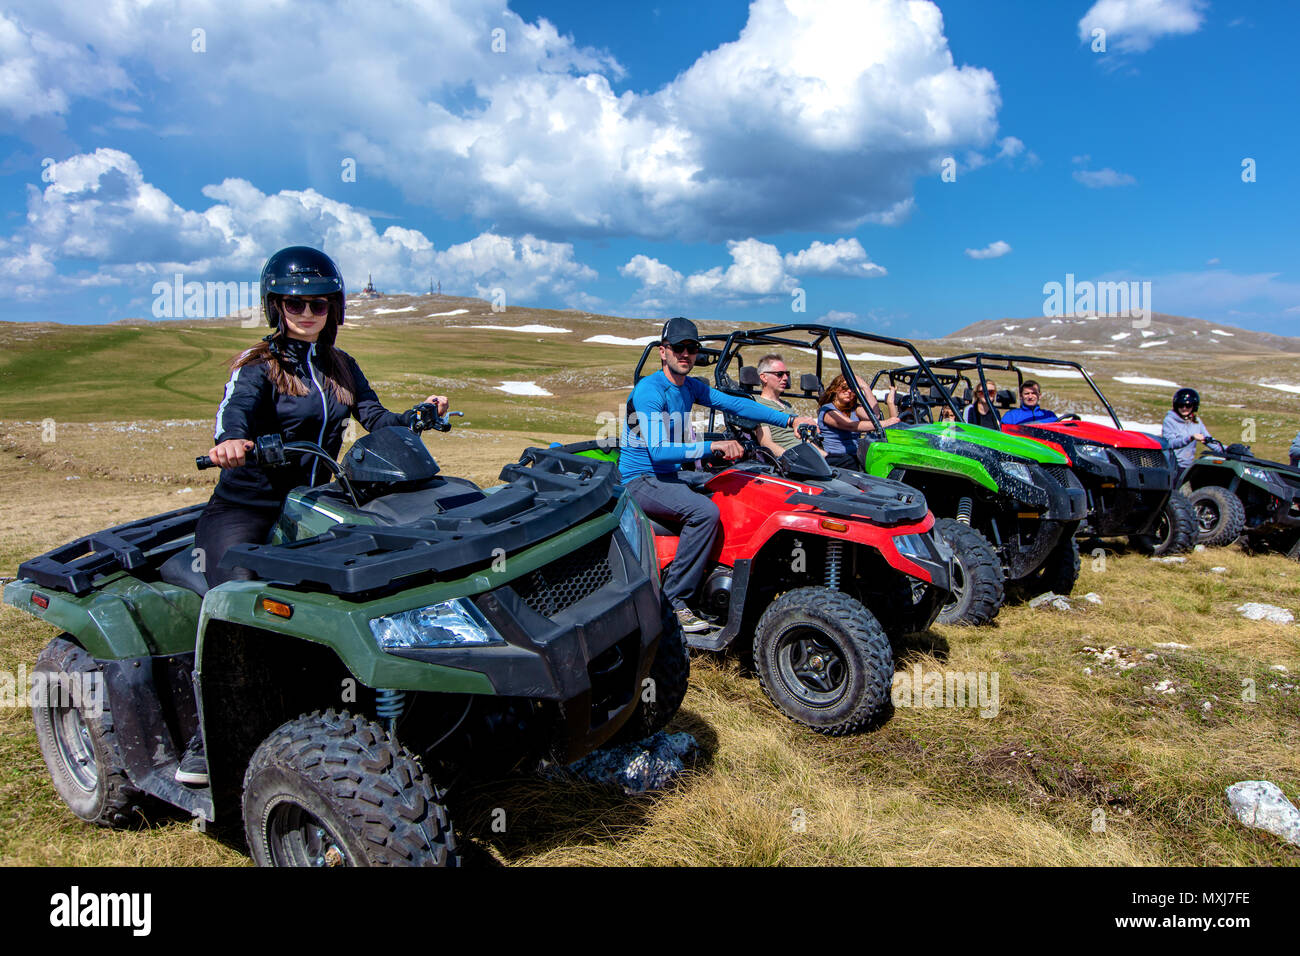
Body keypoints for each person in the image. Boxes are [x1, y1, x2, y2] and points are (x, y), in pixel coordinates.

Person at [180, 245, 448, 786]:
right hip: (247, 506)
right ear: (275, 306)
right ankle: (202, 741)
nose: (307, 314)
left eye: (319, 304)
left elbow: (374, 416)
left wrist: (415, 416)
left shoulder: (341, 366)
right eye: (295, 304)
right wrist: (233, 441)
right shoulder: (258, 366)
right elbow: (232, 413)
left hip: (314, 504)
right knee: (237, 603)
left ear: (334, 308)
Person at [620, 318, 818, 633]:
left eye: (692, 348)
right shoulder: (650, 390)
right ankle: (673, 604)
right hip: (641, 479)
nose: (686, 354)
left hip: (669, 476)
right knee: (704, 513)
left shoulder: (691, 387)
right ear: (663, 351)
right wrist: (713, 447)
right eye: (678, 348)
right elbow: (658, 451)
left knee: (737, 490)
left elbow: (737, 403)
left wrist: (790, 419)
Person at [817, 374, 899, 470]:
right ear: (835, 388)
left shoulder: (854, 409)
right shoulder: (827, 410)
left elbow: (874, 416)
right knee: (853, 462)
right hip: (837, 459)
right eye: (845, 387)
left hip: (856, 456)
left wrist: (865, 387)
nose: (849, 391)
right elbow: (850, 425)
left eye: (852, 389)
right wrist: (886, 423)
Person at [753, 353, 826, 459]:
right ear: (764, 377)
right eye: (780, 374)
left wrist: (823, 455)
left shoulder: (786, 405)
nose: (786, 378)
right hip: (795, 460)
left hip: (810, 456)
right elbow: (766, 443)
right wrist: (793, 459)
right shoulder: (759, 405)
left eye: (787, 374)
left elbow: (804, 440)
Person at [1162, 387, 1212, 469]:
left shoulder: (1196, 421)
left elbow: (1209, 440)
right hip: (1173, 466)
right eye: (1181, 405)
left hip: (1188, 466)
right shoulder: (1169, 420)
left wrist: (1229, 450)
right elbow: (1170, 443)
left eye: (1188, 405)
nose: (1184, 408)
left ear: (1194, 406)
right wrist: (1190, 438)